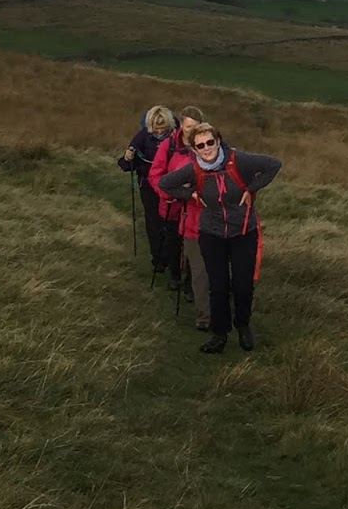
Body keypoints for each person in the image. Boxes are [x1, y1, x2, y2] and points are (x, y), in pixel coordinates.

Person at [152, 122, 281, 354]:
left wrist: (250, 189)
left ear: (218, 141)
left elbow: (273, 165)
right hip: (211, 234)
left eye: (210, 142)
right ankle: (219, 334)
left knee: (243, 285)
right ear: (194, 149)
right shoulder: (193, 169)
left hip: (243, 232)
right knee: (218, 286)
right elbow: (164, 183)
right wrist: (190, 194)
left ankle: (243, 326)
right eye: (200, 145)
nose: (206, 148)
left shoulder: (238, 160)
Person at [149, 106, 211, 329]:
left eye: (194, 128)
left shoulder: (204, 145)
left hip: (194, 208)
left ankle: (189, 285)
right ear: (181, 125)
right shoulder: (169, 145)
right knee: (174, 243)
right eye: (187, 127)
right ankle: (175, 275)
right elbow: (155, 173)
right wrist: (168, 192)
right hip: (172, 205)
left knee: (192, 250)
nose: (190, 131)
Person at [118, 106, 177, 281]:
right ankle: (158, 259)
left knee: (170, 223)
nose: (159, 132)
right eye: (156, 129)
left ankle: (172, 258)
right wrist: (128, 158)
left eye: (163, 129)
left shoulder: (175, 138)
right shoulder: (142, 137)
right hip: (148, 187)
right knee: (153, 222)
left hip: (170, 185)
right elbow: (125, 165)